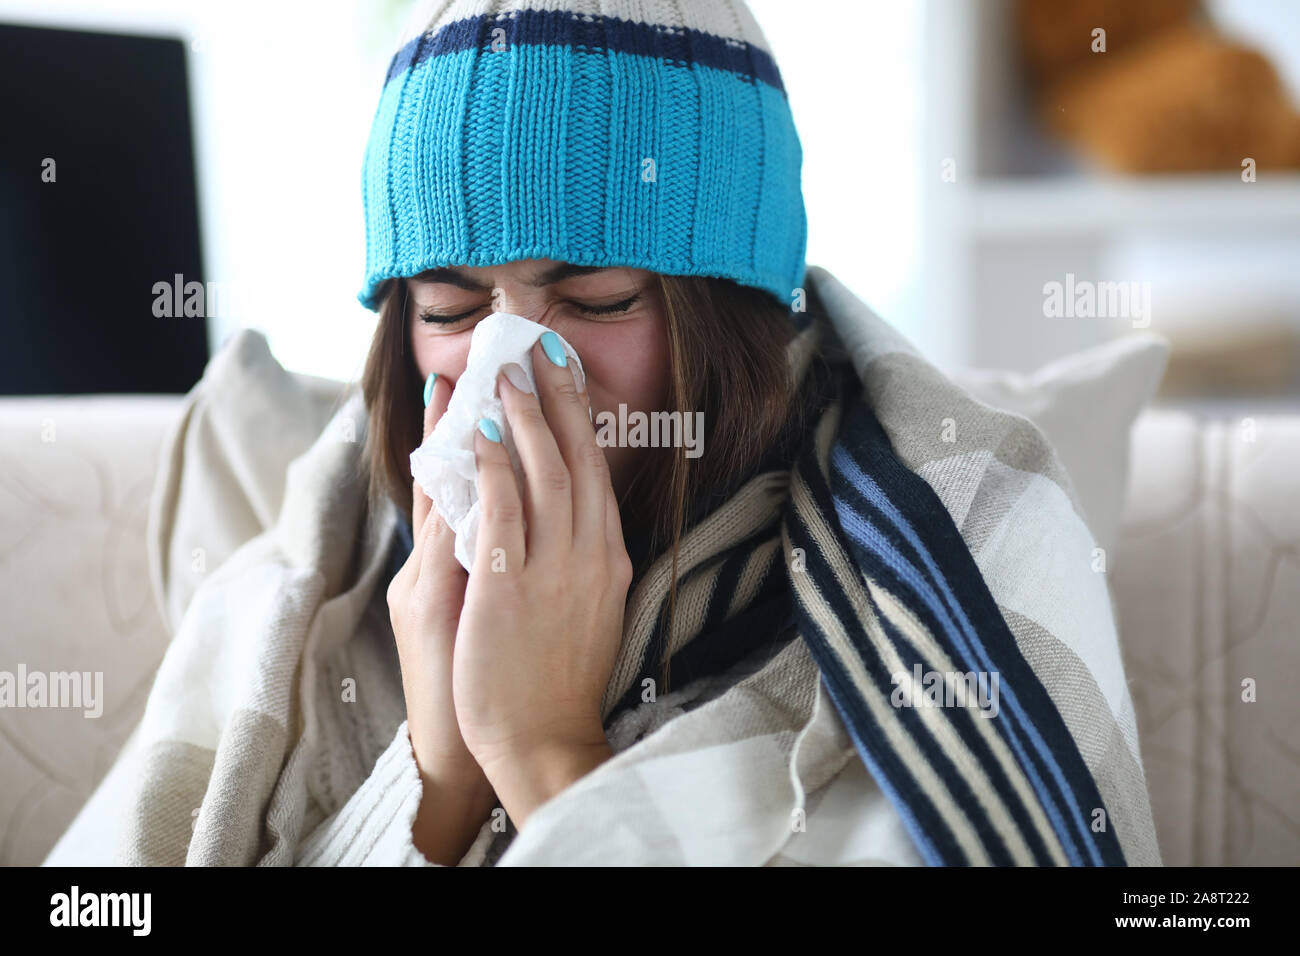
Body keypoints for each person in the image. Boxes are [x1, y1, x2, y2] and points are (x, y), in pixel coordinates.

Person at [43, 0, 1160, 867]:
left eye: (597, 299)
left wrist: (542, 752)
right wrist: (439, 777)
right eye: (448, 309)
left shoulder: (961, 545)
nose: (512, 369)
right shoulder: (316, 584)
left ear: (734, 320)